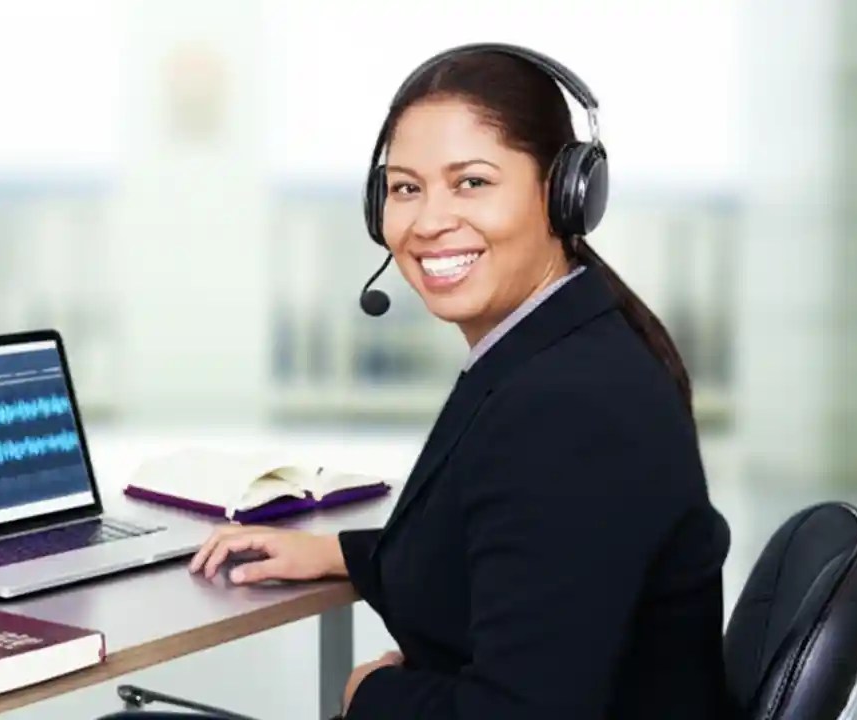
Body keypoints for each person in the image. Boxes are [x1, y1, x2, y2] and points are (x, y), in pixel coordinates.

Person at [189, 43, 734, 719]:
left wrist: (370, 696)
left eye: (472, 182)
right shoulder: (564, 346)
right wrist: (342, 554)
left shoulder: (568, 408)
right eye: (405, 188)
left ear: (564, 194)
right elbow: (529, 551)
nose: (428, 222)